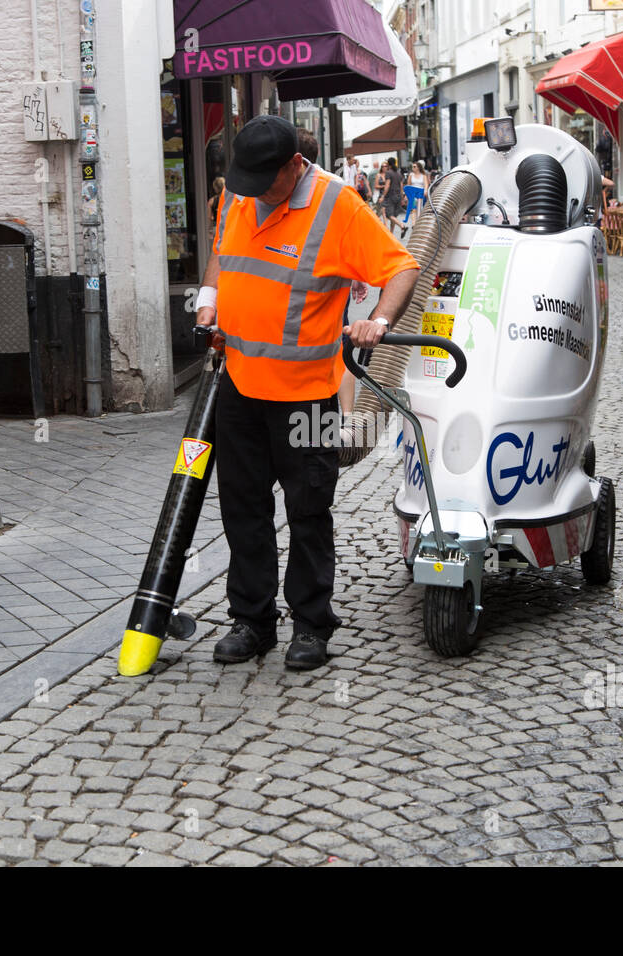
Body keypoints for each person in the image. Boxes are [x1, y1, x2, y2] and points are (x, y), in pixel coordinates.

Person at [197, 115, 420, 670]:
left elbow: (402, 266)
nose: (249, 193)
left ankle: (312, 625)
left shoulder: (336, 207)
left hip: (307, 395)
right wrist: (208, 297)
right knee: (242, 510)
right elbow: (223, 255)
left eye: (261, 182)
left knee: (307, 511)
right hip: (239, 385)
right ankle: (251, 621)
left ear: (295, 165)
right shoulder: (239, 194)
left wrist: (380, 320)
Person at [378, 157, 405, 234]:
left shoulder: (388, 173)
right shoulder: (398, 173)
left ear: (389, 164)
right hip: (398, 196)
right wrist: (402, 198)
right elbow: (401, 186)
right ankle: (391, 234)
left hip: (391, 196)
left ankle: (401, 225)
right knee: (394, 216)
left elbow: (387, 186)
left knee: (388, 215)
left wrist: (383, 196)